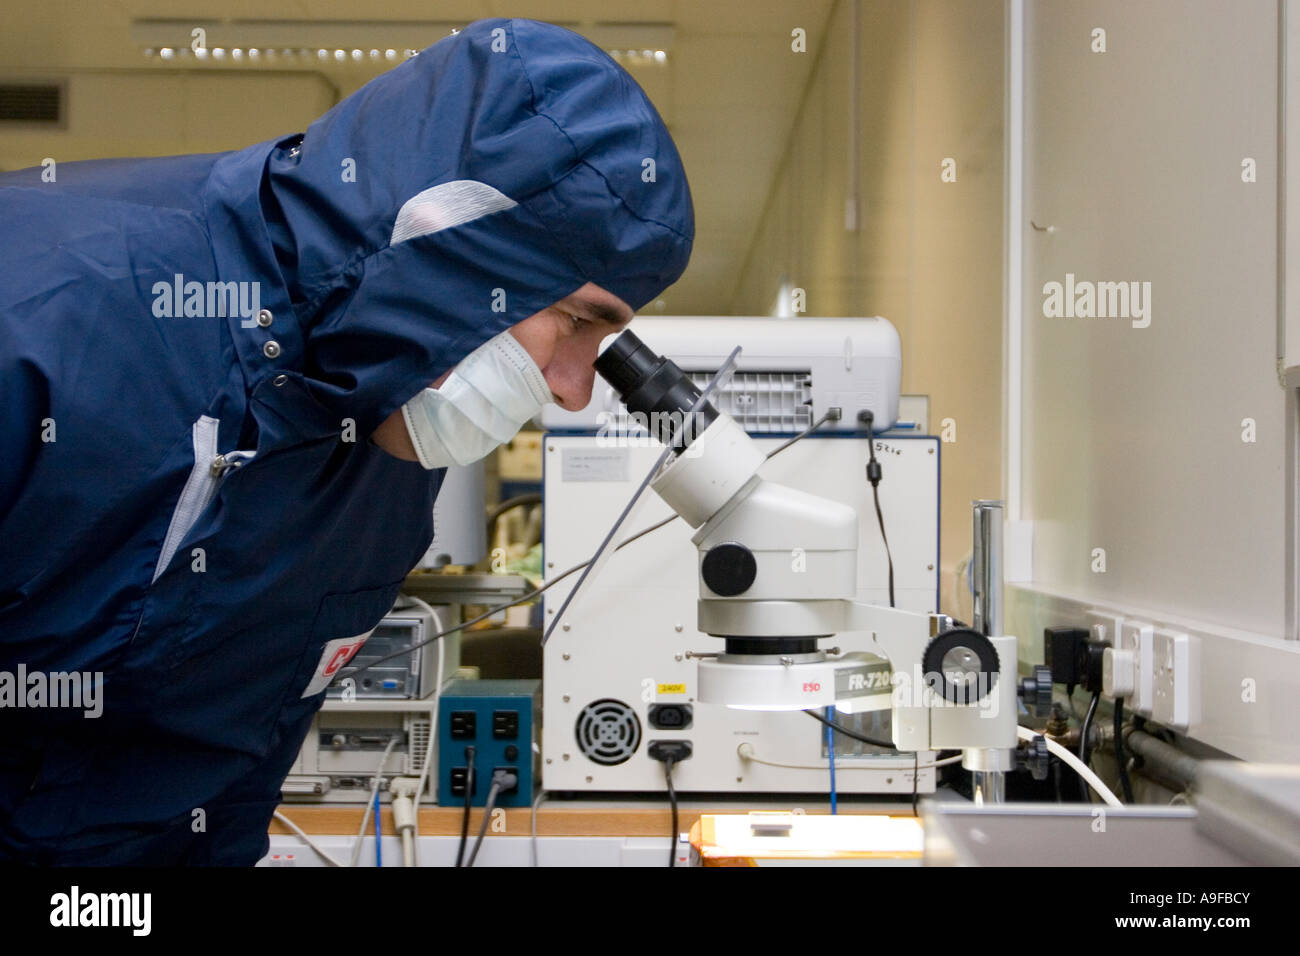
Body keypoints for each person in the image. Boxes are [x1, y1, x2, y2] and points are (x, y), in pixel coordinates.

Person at [0, 18, 693, 865]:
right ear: (453, 245)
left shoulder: (390, 446)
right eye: (579, 324)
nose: (575, 390)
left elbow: (230, 772)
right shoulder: (44, 319)